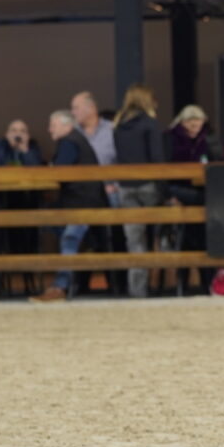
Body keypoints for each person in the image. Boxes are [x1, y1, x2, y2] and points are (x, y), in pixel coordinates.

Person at [32, 110, 109, 303]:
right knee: (65, 234)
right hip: (86, 200)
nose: (49, 130)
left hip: (81, 201)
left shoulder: (69, 141)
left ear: (66, 126)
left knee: (69, 238)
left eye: (53, 125)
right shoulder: (77, 140)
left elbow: (59, 171)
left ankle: (61, 286)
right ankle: (74, 277)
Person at [111, 85, 166, 299]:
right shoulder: (149, 124)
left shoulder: (118, 125)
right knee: (163, 232)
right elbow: (157, 158)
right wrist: (165, 189)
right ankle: (166, 279)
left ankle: (138, 291)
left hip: (126, 187)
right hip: (148, 186)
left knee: (135, 240)